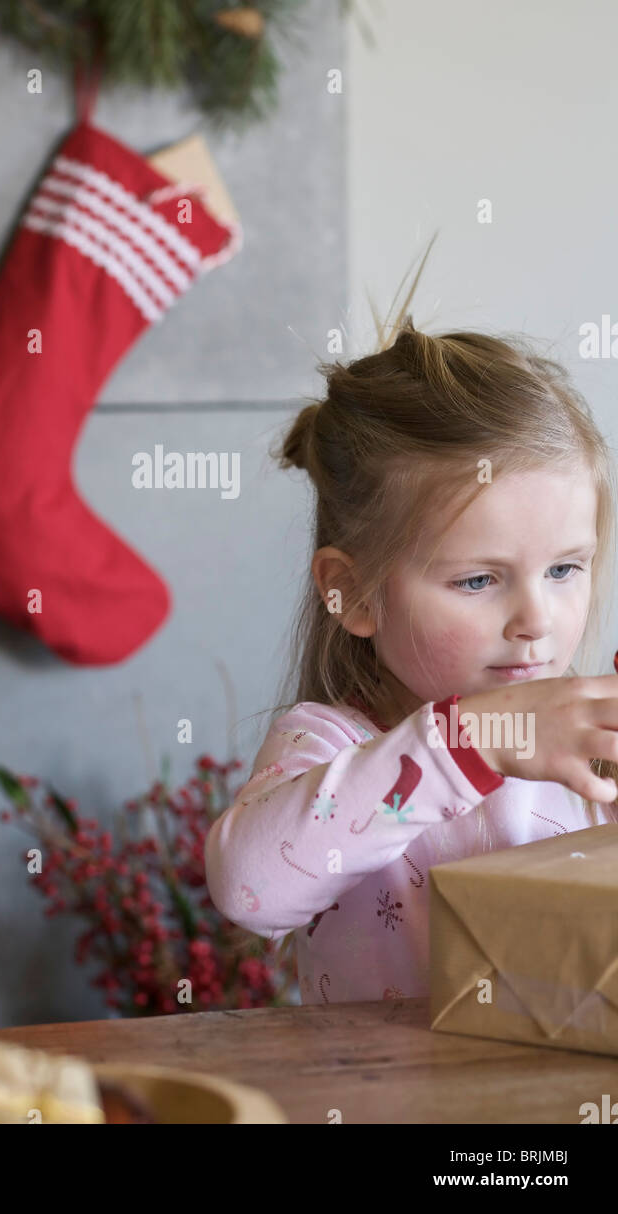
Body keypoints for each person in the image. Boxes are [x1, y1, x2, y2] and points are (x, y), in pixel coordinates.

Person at [203, 303, 618, 1004]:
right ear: (354, 594)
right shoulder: (330, 744)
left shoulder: (588, 742)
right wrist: (472, 741)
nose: (535, 620)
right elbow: (249, 889)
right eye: (479, 580)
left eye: (564, 569)